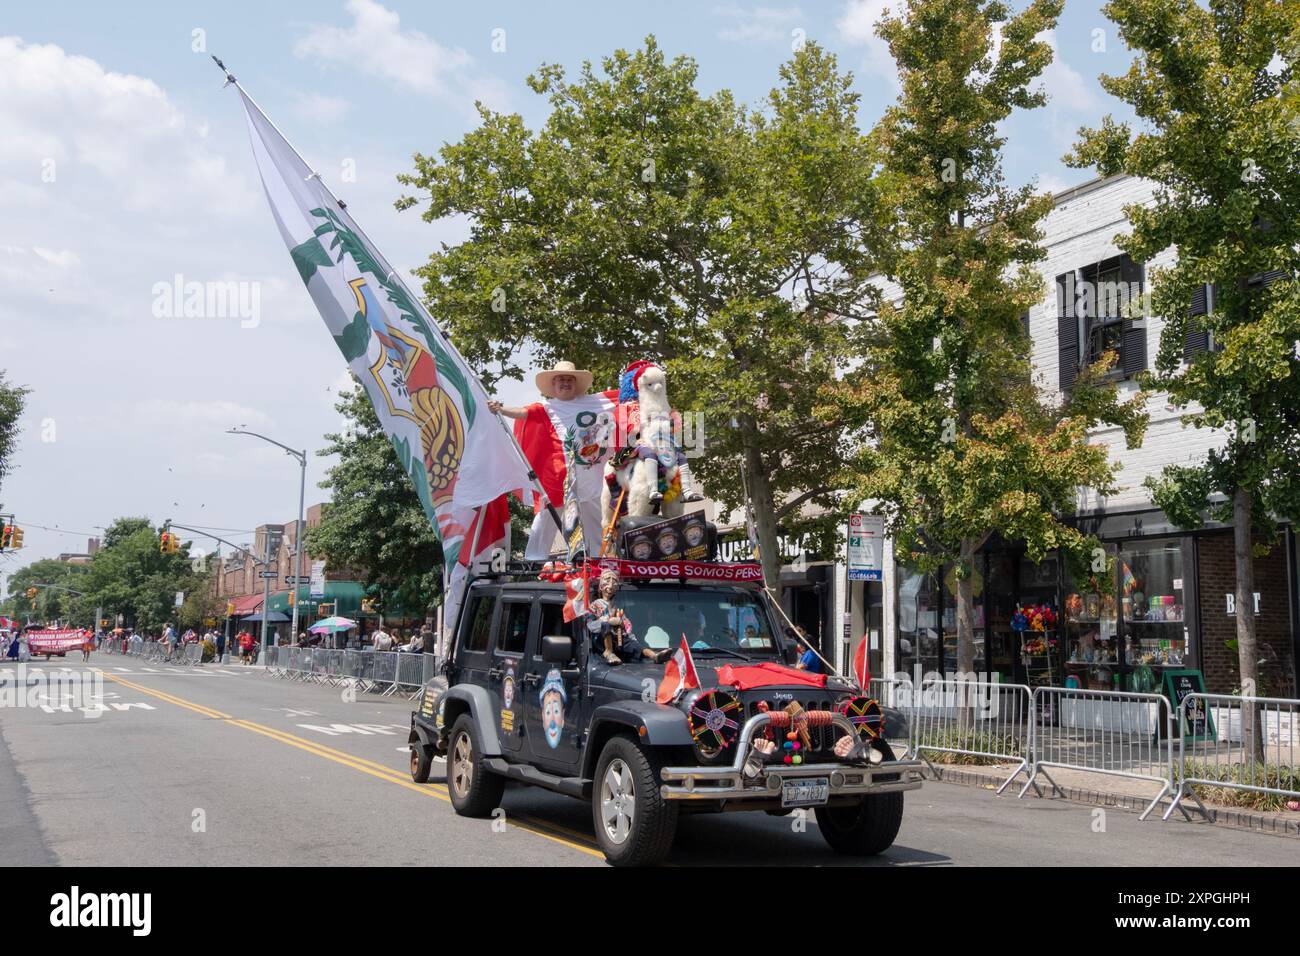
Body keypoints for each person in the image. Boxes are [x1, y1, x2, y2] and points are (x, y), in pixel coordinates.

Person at [488, 360, 619, 559]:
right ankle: (534, 560)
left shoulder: (595, 402)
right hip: (557, 477)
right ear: (554, 384)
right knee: (546, 519)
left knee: (594, 520)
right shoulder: (546, 406)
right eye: (561, 380)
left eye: (569, 379)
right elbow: (523, 413)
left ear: (575, 383)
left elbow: (622, 402)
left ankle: (598, 561)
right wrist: (501, 409)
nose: (565, 383)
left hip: (589, 475)